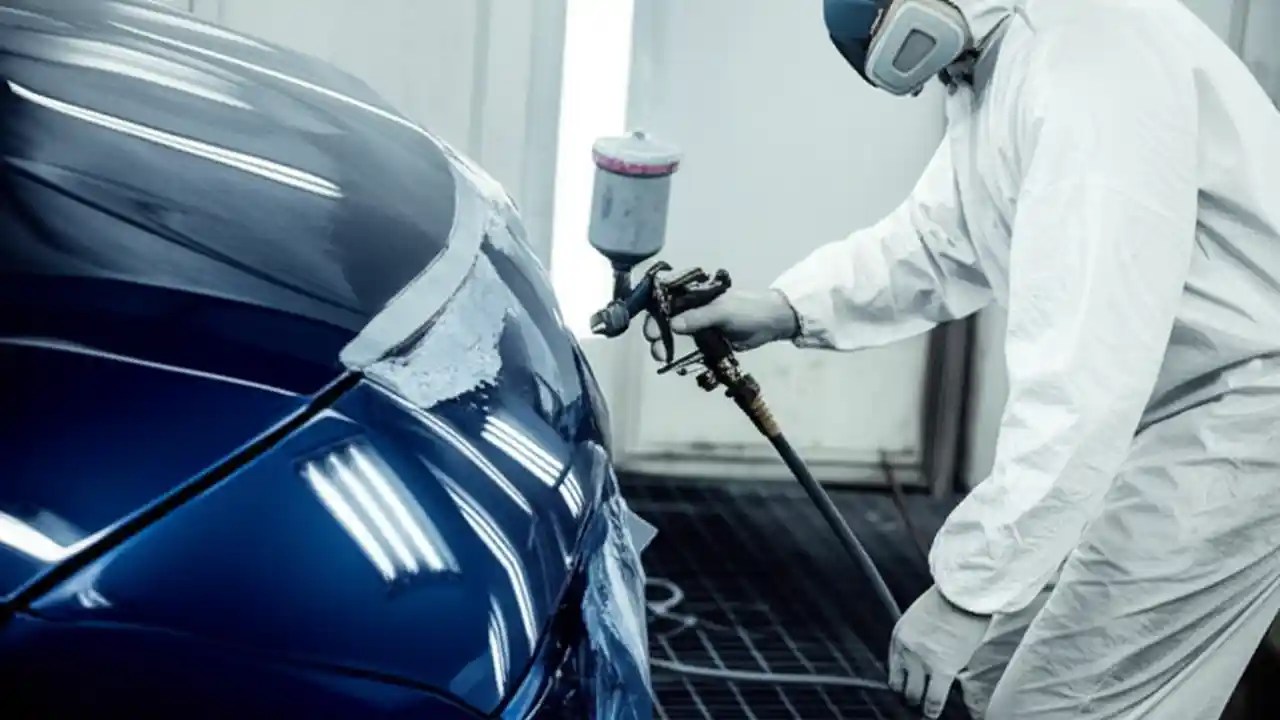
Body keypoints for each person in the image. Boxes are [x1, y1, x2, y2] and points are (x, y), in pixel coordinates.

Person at [643, 0, 1280, 717]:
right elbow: (942, 239)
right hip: (1151, 409)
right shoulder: (996, 58)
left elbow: (1085, 379)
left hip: (1238, 412)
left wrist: (964, 597)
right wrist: (787, 307)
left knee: (1063, 702)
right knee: (987, 683)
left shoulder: (1088, 59)